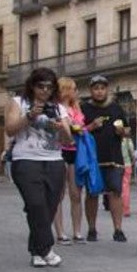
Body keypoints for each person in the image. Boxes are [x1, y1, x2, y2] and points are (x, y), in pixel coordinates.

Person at [4, 67, 73, 267]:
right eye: (40, 86)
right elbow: (10, 130)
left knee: (49, 207)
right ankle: (47, 249)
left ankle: (36, 252)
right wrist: (29, 116)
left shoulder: (58, 108)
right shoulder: (18, 102)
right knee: (35, 205)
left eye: (49, 87)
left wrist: (61, 128)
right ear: (32, 86)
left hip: (54, 161)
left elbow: (68, 140)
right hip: (25, 160)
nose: (45, 91)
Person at [80, 74, 129, 242]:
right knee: (92, 193)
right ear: (91, 90)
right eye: (96, 88)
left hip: (114, 157)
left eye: (102, 88)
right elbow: (78, 131)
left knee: (115, 193)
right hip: (93, 158)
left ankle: (118, 229)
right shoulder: (84, 108)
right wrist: (91, 126)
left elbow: (127, 130)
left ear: (107, 89)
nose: (99, 91)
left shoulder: (116, 108)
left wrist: (122, 131)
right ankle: (91, 229)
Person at [52, 77, 85, 243]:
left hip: (76, 151)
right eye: (73, 88)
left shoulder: (75, 107)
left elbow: (82, 127)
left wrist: (81, 128)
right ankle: (60, 232)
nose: (76, 91)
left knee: (76, 194)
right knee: (59, 193)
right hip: (59, 150)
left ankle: (77, 231)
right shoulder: (55, 108)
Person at [120, 128, 135, 217]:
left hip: (118, 165)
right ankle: (126, 209)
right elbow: (132, 154)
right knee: (126, 188)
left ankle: (118, 207)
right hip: (127, 165)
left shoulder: (117, 141)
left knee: (118, 188)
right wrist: (133, 162)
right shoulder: (128, 141)